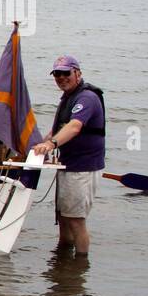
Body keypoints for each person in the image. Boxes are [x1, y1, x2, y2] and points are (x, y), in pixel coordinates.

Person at [31, 55, 105, 256]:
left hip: (83, 168)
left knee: (76, 221)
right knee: (63, 218)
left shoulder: (87, 98)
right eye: (57, 74)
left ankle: (80, 266)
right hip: (68, 165)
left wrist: (50, 144)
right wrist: (37, 145)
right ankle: (63, 266)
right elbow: (58, 129)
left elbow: (74, 127)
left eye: (66, 73)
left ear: (78, 73)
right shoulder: (68, 97)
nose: (61, 77)